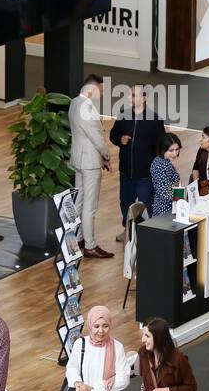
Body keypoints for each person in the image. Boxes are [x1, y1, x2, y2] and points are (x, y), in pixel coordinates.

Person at [109, 84, 164, 237]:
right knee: (125, 203)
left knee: (146, 205)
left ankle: (148, 235)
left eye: (133, 95)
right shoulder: (123, 115)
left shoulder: (155, 120)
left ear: (144, 98)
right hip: (126, 172)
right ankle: (128, 230)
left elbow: (161, 146)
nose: (129, 98)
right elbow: (113, 135)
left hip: (145, 174)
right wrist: (120, 139)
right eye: (129, 95)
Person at [69, 74, 114, 259]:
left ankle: (77, 238)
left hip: (78, 159)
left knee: (79, 200)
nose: (101, 94)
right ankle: (90, 245)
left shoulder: (74, 103)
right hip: (89, 161)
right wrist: (106, 156)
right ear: (92, 89)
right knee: (90, 205)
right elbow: (96, 137)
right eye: (101, 90)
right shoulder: (86, 108)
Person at [149, 133, 183, 216]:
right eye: (171, 150)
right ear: (163, 149)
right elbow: (164, 193)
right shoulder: (163, 165)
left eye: (177, 149)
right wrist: (182, 198)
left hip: (163, 207)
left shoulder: (159, 160)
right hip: (166, 210)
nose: (175, 154)